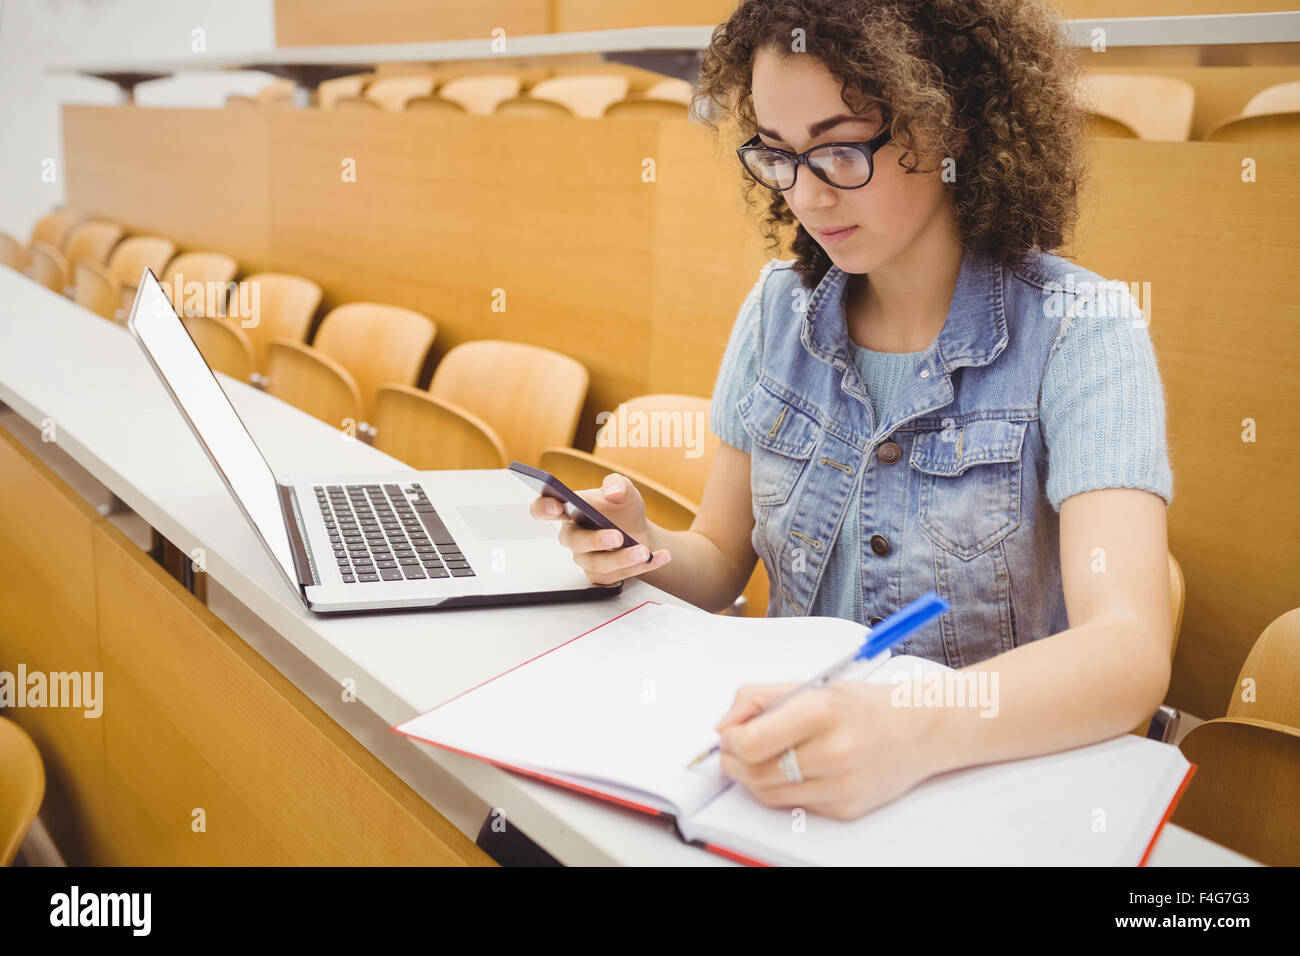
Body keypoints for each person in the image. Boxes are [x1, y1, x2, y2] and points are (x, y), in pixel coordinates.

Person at [526, 0, 1174, 829]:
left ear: (950, 125)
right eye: (779, 155)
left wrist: (909, 730)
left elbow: (1127, 652)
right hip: (788, 785)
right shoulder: (776, 311)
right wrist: (645, 548)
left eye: (838, 149)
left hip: (984, 802)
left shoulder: (1084, 330)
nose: (806, 192)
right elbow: (722, 556)